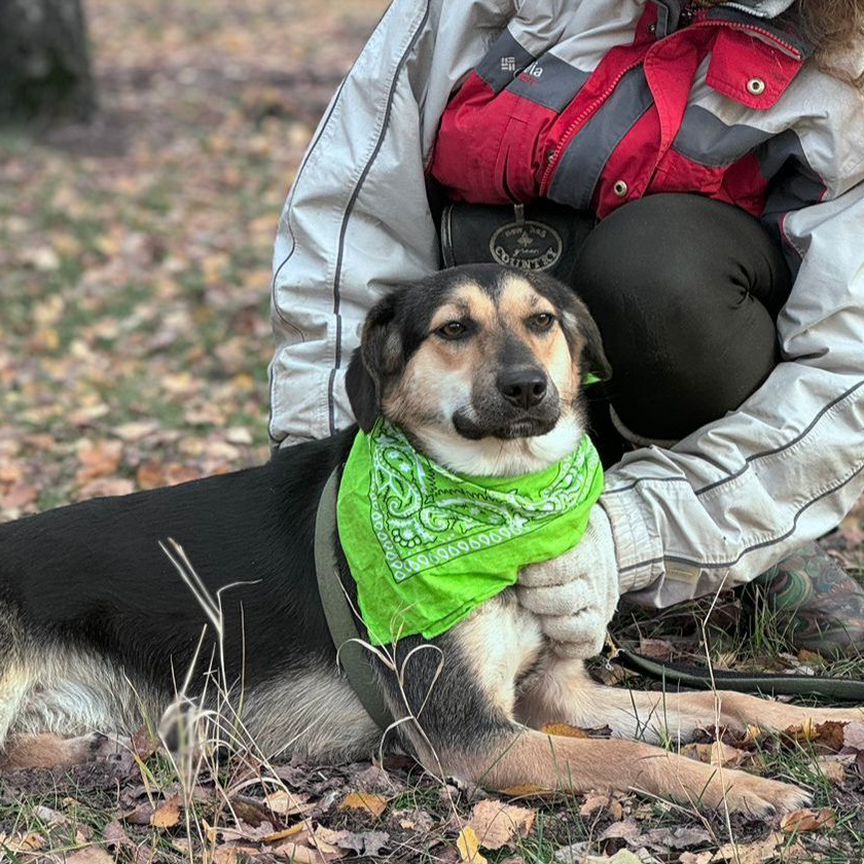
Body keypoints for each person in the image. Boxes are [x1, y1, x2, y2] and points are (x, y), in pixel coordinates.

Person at [269, 0, 864, 654]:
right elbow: (350, 224)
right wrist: (328, 486)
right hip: (462, 404)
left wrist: (626, 536)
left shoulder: (850, 61)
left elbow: (845, 373)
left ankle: (750, 541)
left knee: (659, 273)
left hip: (696, 385)